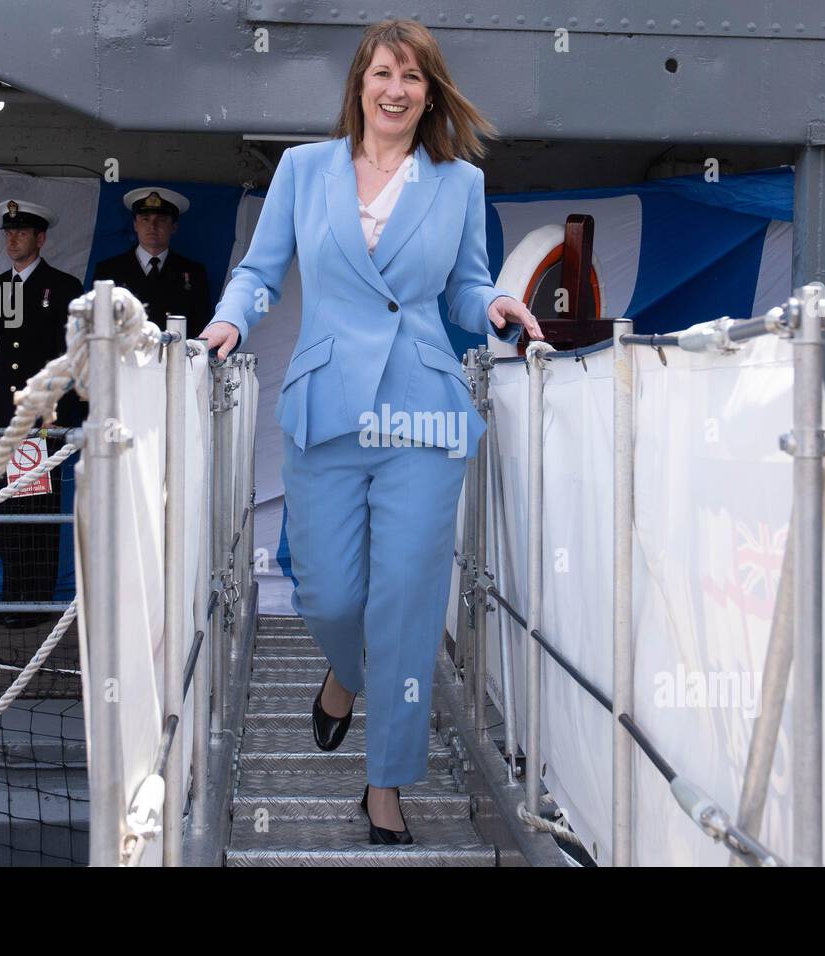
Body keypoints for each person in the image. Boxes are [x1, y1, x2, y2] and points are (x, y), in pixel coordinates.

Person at [200, 19, 543, 845]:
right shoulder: (303, 170)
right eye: (384, 73)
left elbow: (463, 286)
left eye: (414, 77)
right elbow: (259, 269)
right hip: (328, 408)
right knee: (329, 592)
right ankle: (343, 677)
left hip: (423, 411)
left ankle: (384, 785)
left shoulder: (458, 182)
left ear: (430, 94)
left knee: (406, 602)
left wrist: (494, 304)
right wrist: (228, 322)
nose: (397, 89)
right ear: (359, 83)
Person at [0, 199, 86, 628]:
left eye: (21, 232)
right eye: (8, 232)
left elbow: (72, 356)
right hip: (4, 416)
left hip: (39, 417)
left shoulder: (61, 286)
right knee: (3, 508)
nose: (12, 239)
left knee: (34, 509)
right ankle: (10, 596)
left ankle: (34, 600)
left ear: (40, 238)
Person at [90, 187, 212, 332]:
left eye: (161, 220)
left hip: (174, 352)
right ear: (135, 224)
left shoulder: (194, 273)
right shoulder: (108, 271)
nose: (152, 227)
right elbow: (98, 326)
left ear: (173, 227)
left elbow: (200, 328)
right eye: (145, 219)